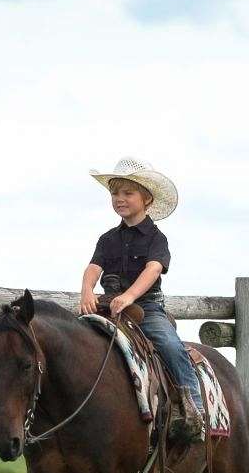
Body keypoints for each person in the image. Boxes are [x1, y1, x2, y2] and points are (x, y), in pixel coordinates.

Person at [81, 157, 205, 444]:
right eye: (115, 193)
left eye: (128, 193)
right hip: (108, 305)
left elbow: (153, 269)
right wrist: (87, 290)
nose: (119, 199)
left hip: (145, 306)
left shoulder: (156, 239)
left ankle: (192, 407)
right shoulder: (108, 239)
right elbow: (93, 267)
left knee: (169, 344)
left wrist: (129, 296)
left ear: (146, 199)